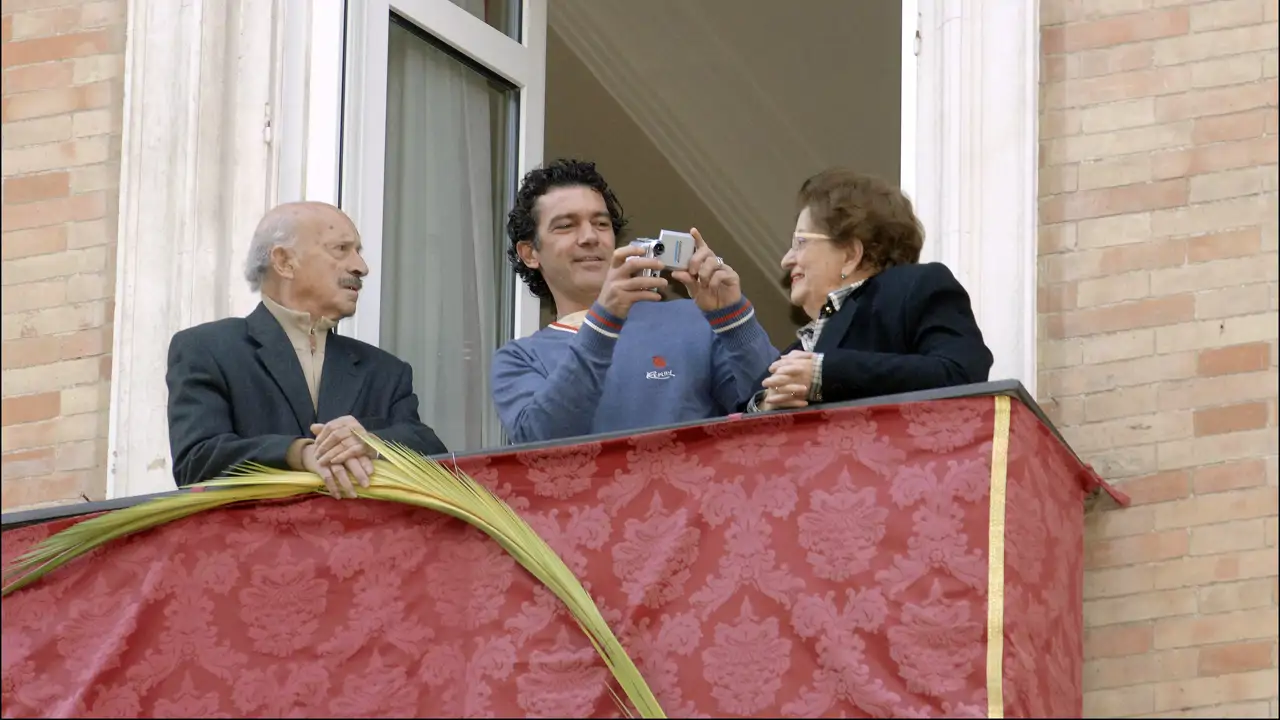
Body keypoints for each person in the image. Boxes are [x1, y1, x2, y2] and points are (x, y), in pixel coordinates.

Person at [166, 201, 447, 497]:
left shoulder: (385, 370)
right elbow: (196, 462)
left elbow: (432, 454)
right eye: (341, 249)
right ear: (284, 262)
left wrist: (371, 444)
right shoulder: (209, 349)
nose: (361, 267)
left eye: (358, 251)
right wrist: (298, 453)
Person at [492, 159, 778, 443]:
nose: (590, 237)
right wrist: (604, 321)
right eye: (566, 226)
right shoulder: (520, 359)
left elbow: (777, 412)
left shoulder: (693, 318)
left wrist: (733, 319)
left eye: (601, 223)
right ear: (530, 253)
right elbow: (540, 442)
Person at [748, 168, 992, 413]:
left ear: (850, 254)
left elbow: (962, 373)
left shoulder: (917, 286)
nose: (786, 260)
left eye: (800, 242)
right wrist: (769, 401)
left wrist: (823, 374)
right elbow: (741, 412)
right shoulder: (803, 346)